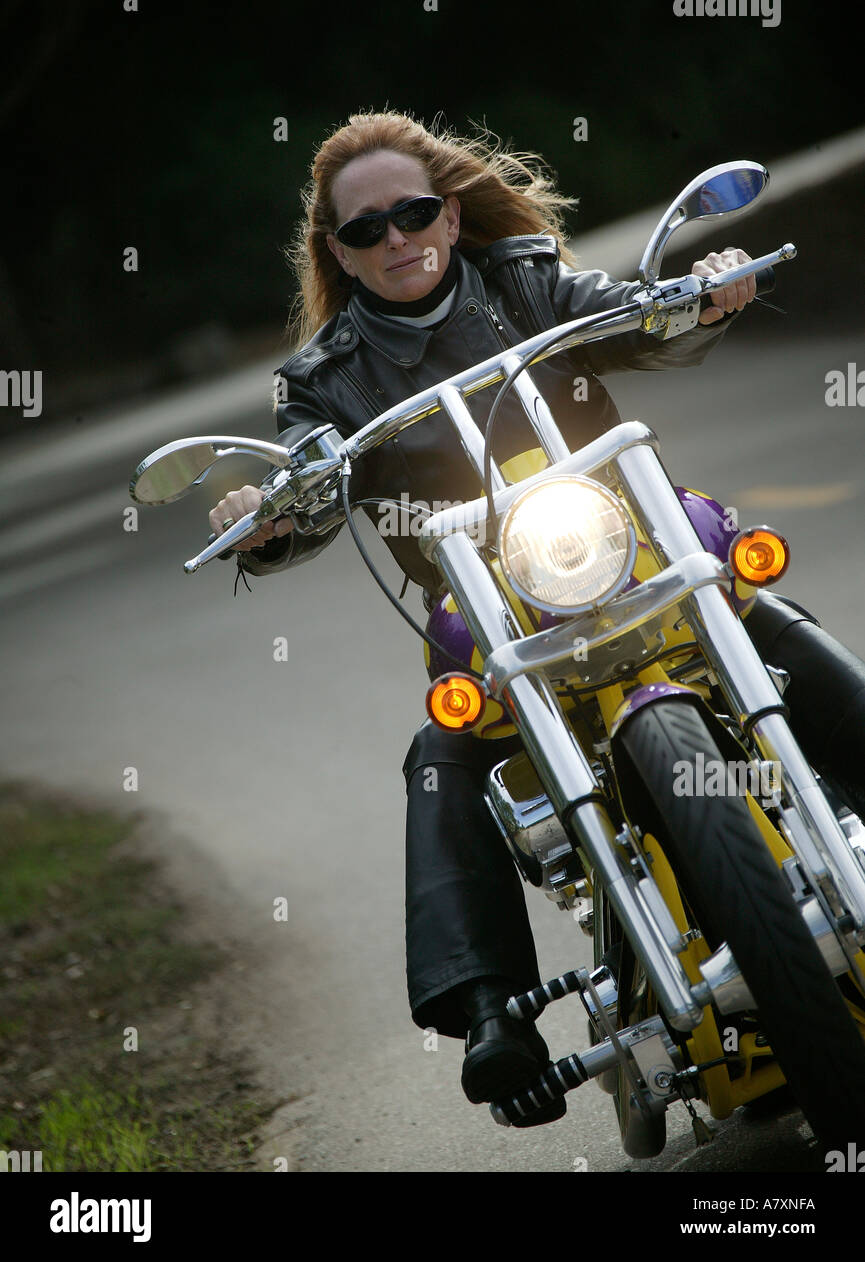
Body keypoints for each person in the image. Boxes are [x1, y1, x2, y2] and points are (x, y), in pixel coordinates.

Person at [209, 111, 865, 1127]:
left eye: (414, 213)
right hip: (486, 601)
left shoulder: (524, 283)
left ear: (449, 208)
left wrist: (706, 289)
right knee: (442, 748)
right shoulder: (325, 380)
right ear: (335, 252)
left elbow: (635, 310)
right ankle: (491, 1012)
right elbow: (305, 487)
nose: (396, 240)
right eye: (367, 230)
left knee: (747, 601)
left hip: (624, 542)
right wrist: (262, 519)